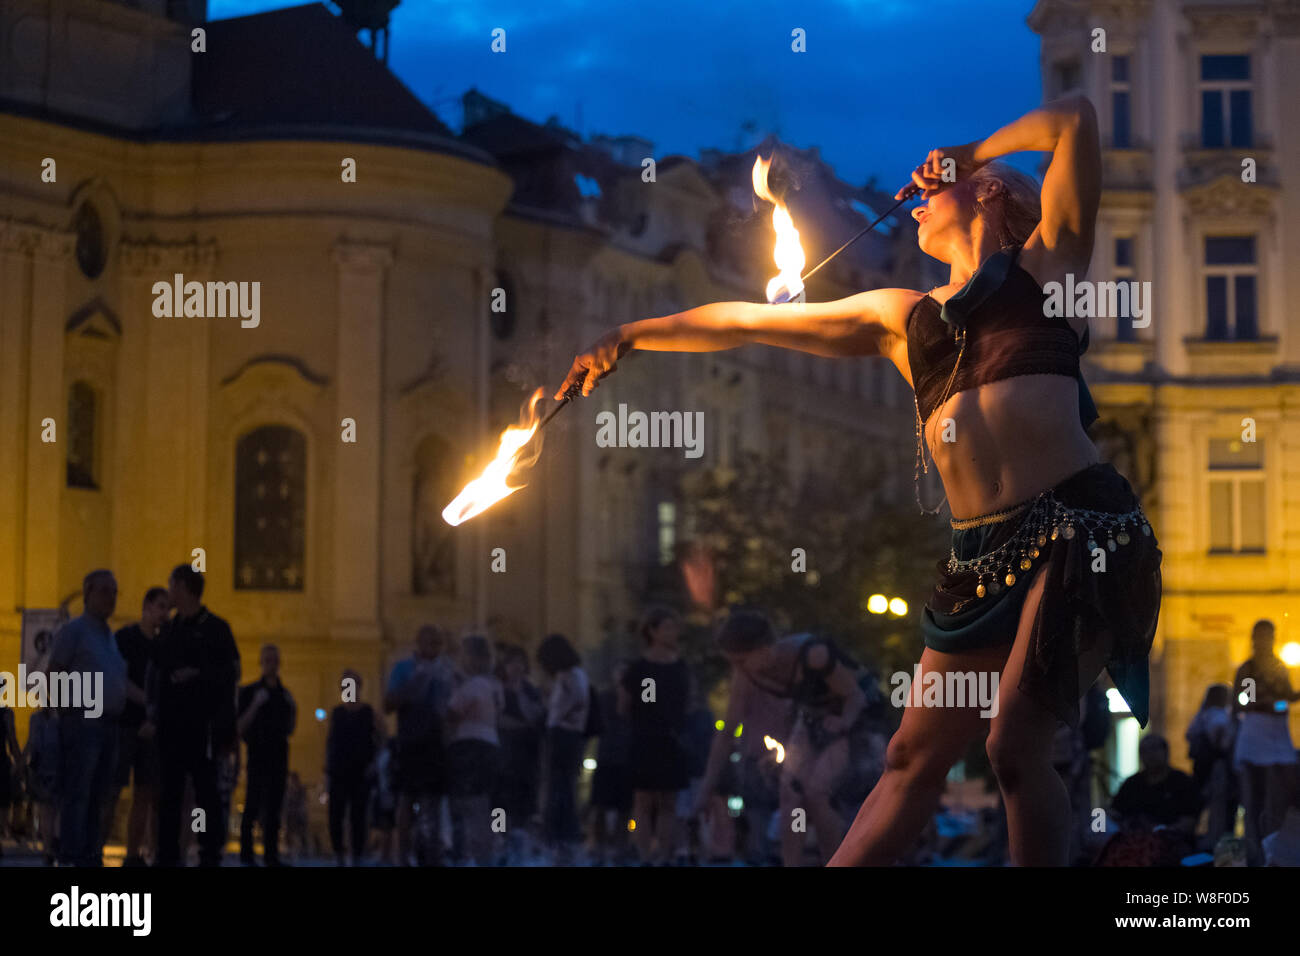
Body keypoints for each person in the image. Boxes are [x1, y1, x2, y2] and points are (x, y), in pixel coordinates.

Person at [558, 94, 1163, 867]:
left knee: (1013, 742)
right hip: (980, 561)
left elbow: (1075, 118)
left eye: (932, 188)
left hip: (1080, 535)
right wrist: (630, 336)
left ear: (983, 189)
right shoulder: (899, 317)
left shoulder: (1049, 268)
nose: (911, 201)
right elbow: (745, 320)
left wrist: (969, 147)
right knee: (910, 758)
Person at [695, 610, 887, 866]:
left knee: (817, 791)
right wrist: (706, 787)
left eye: (741, 660)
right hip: (813, 716)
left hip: (856, 716)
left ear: (764, 648)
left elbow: (855, 697)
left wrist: (843, 723)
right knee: (790, 793)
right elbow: (728, 732)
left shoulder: (813, 655)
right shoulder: (746, 673)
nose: (737, 669)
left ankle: (836, 862)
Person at [151, 565, 241, 867]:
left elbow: (230, 675)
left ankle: (209, 854)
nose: (168, 592)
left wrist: (198, 675)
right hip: (171, 728)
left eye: (171, 585)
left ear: (183, 586)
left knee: (207, 794)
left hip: (204, 727)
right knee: (169, 796)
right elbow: (159, 673)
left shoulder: (217, 629)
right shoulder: (170, 629)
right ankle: (167, 855)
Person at [47, 569, 128, 866]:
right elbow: (54, 672)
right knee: (78, 794)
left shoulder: (108, 636)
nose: (111, 598)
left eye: (115, 592)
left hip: (108, 725)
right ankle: (72, 855)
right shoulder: (74, 631)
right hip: (83, 722)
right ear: (88, 593)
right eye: (105, 591)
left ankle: (91, 855)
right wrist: (67, 712)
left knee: (99, 796)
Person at [619, 606, 691, 865]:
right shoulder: (639, 668)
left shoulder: (680, 666)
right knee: (643, 799)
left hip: (672, 740)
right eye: (667, 627)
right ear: (652, 631)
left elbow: (686, 702)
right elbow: (623, 705)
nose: (673, 633)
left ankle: (664, 854)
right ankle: (645, 855)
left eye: (674, 627)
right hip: (645, 739)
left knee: (669, 801)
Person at [108, 586, 169, 866]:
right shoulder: (126, 638)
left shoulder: (162, 645)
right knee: (112, 791)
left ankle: (136, 854)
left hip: (149, 727)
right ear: (146, 606)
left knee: (146, 793)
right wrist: (150, 702)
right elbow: (118, 678)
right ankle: (97, 848)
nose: (164, 614)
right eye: (160, 607)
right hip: (125, 724)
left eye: (167, 609)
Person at [384, 625, 453, 865]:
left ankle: (433, 854)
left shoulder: (447, 670)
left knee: (432, 802)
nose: (433, 648)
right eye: (429, 643)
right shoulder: (403, 668)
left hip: (436, 743)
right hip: (410, 739)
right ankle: (403, 855)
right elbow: (388, 704)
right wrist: (415, 683)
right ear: (418, 643)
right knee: (406, 798)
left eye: (437, 644)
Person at [1232, 619, 1299, 862]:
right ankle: (1255, 852)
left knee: (1281, 794)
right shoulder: (1248, 669)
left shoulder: (1280, 666)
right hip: (1255, 733)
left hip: (1278, 733)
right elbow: (1245, 701)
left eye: (1268, 636)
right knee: (1255, 798)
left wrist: (1280, 702)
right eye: (1261, 636)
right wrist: (1268, 703)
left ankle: (1277, 848)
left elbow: (1287, 698)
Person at [446, 634, 504, 865]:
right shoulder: (495, 685)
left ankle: (479, 855)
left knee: (472, 805)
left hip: (470, 746)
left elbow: (451, 713)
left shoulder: (473, 685)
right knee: (489, 804)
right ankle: (490, 849)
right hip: (491, 745)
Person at [237, 644, 296, 865]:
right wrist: (255, 705)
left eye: (274, 660)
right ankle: (247, 855)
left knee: (274, 808)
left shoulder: (285, 695)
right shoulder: (250, 692)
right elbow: (240, 727)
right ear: (261, 663)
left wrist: (292, 709)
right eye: (267, 660)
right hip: (257, 755)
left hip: (279, 757)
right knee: (251, 805)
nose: (271, 664)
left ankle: (271, 856)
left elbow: (290, 728)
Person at [537, 633, 589, 864]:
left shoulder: (573, 675)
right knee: (558, 787)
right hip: (563, 734)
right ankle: (558, 835)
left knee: (562, 787)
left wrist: (559, 717)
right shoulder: (566, 676)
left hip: (565, 735)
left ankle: (563, 836)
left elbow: (578, 699)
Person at [493, 644, 546, 863]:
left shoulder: (531, 691)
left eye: (520, 663)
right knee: (500, 803)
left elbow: (535, 716)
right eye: (511, 662)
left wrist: (520, 692)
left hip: (526, 755)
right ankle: (499, 844)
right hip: (501, 754)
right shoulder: (497, 689)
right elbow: (496, 718)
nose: (516, 667)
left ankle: (520, 847)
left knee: (524, 803)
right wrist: (521, 724)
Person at [326, 669, 382, 866]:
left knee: (358, 815)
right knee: (336, 814)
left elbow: (379, 740)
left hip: (361, 771)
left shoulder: (368, 713)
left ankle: (357, 853)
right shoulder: (337, 713)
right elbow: (331, 743)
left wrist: (375, 763)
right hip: (339, 771)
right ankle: (339, 853)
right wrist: (327, 771)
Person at [588, 659, 633, 866]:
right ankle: (599, 846)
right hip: (606, 758)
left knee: (625, 809)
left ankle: (620, 848)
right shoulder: (604, 697)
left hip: (628, 760)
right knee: (600, 806)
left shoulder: (639, 699)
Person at [1186, 683, 1236, 851]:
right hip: (1217, 768)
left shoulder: (1202, 715)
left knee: (1201, 806)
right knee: (1219, 811)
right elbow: (1220, 738)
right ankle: (1219, 849)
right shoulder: (1218, 716)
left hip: (1202, 768)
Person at [0, 681, 22, 860]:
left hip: (2, 762)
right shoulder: (6, 713)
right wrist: (19, 761)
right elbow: (12, 740)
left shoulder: (7, 713)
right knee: (3, 803)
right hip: (1, 762)